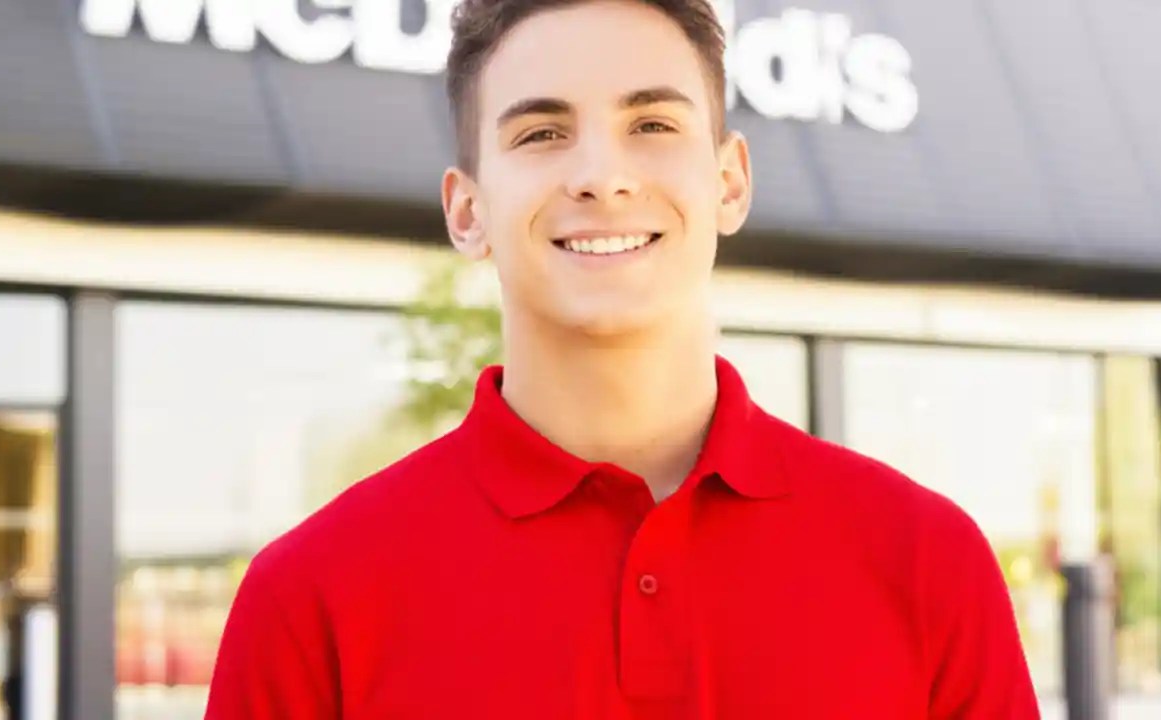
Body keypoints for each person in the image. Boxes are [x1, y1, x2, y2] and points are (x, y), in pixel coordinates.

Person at [204, 0, 1041, 717]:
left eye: (651, 124)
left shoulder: (928, 565)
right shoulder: (310, 599)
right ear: (467, 211)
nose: (602, 176)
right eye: (542, 131)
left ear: (730, 182)